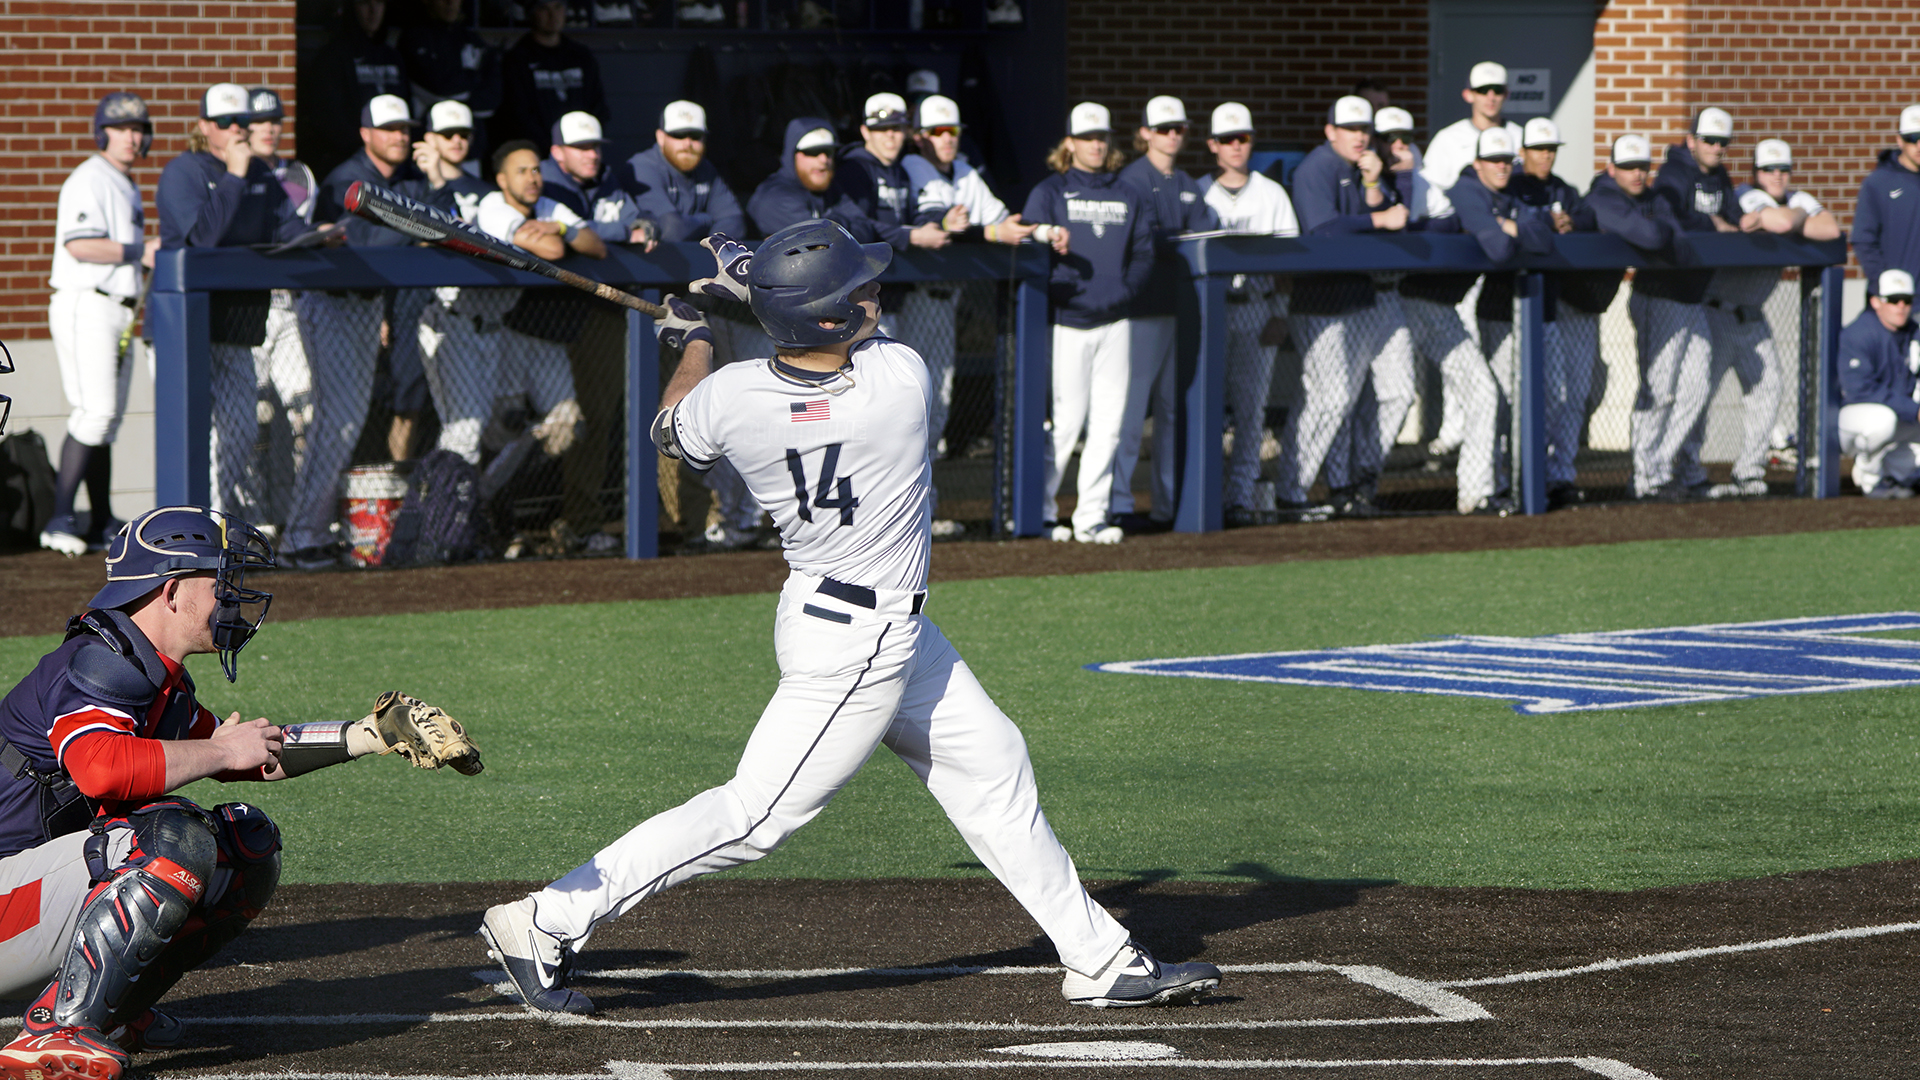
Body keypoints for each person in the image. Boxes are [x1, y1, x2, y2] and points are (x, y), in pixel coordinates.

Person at [478, 220, 1222, 1016]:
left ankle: (1099, 958)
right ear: (826, 319)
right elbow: (835, 335)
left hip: (847, 617)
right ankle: (544, 919)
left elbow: (673, 429)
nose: (874, 295)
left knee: (993, 763)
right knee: (755, 816)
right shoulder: (896, 383)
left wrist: (693, 338)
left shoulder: (730, 398)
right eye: (857, 292)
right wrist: (747, 286)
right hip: (861, 645)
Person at [0, 506, 470, 1080]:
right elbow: (103, 769)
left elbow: (248, 753)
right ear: (172, 591)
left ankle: (112, 1010)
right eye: (218, 583)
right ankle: (57, 1029)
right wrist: (222, 752)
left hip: (25, 898)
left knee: (247, 844)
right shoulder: (101, 663)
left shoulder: (150, 674)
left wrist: (369, 735)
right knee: (171, 837)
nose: (231, 597)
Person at [157, 83, 311, 528]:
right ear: (205, 127)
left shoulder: (262, 173)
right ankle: (192, 534)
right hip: (185, 331)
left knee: (241, 435)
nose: (236, 130)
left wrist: (319, 235)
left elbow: (289, 228)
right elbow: (203, 237)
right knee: (196, 440)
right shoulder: (184, 171)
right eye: (224, 123)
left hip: (241, 328)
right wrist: (235, 175)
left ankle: (215, 527)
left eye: (242, 122)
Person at [285, 94, 425, 569]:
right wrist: (419, 218)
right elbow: (365, 246)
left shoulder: (404, 179)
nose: (399, 136)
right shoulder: (348, 178)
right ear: (366, 133)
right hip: (331, 305)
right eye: (388, 128)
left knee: (345, 421)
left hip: (365, 310)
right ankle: (299, 535)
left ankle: (311, 528)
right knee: (335, 422)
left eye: (405, 128)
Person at [622, 100, 762, 551]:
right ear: (660, 136)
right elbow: (670, 225)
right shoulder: (642, 167)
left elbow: (732, 224)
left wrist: (687, 224)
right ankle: (673, 526)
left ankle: (703, 524)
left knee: (700, 415)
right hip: (640, 309)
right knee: (661, 420)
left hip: (697, 313)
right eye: (679, 136)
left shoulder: (708, 173)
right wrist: (692, 225)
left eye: (695, 137)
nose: (688, 144)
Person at [901, 93, 1033, 538]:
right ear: (919, 137)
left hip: (948, 302)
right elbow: (944, 223)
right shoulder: (913, 166)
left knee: (938, 409)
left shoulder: (963, 171)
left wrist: (1007, 229)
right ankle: (905, 514)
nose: (946, 139)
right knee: (913, 409)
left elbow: (997, 216)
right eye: (937, 132)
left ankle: (924, 510)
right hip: (916, 301)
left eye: (952, 131)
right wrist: (988, 231)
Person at [1021, 102, 1151, 544]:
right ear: (1070, 143)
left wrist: (1124, 293)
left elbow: (1144, 253)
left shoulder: (1129, 192)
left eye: (1103, 137)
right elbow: (1030, 250)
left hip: (1117, 323)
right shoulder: (1050, 192)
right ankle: (1043, 511)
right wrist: (1065, 291)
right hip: (1067, 323)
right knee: (1067, 422)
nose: (1097, 144)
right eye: (1088, 137)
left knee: (1110, 423)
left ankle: (1090, 517)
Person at [1690, 137, 1842, 500]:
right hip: (1716, 311)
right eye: (1769, 169)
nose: (1777, 176)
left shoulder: (1798, 201)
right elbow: (1775, 222)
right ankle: (1687, 471)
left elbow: (1832, 230)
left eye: (1783, 169)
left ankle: (1750, 471)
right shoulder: (1745, 194)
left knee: (1768, 390)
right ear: (1756, 172)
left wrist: (1796, 216)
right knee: (1698, 396)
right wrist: (1793, 217)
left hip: (1754, 317)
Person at [40, 92, 158, 557]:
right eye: (122, 127)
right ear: (102, 131)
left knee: (107, 420)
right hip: (86, 300)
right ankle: (60, 516)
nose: (131, 136)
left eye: (138, 128)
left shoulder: (123, 182)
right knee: (95, 410)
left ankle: (100, 519)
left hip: (119, 306)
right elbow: (80, 245)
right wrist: (138, 251)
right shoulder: (89, 177)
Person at [1280, 95, 1407, 522]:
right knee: (1328, 398)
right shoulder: (1316, 167)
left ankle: (1341, 487)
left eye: (1364, 129)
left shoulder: (1363, 167)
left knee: (1343, 399)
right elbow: (1324, 230)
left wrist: (1374, 185)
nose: (1359, 136)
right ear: (1330, 130)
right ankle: (1291, 490)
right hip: (1318, 300)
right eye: (1350, 129)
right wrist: (1377, 221)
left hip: (1357, 298)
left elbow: (1399, 217)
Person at [534, 110, 650, 549]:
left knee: (595, 419)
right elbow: (557, 231)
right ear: (557, 151)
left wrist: (623, 228)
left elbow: (642, 224)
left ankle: (581, 521)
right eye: (581, 147)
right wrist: (618, 230)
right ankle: (498, 518)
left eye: (595, 147)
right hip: (538, 316)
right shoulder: (541, 180)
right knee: (514, 427)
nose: (591, 155)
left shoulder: (609, 180)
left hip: (595, 314)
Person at [474, 139, 602, 512]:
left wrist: (558, 225)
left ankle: (492, 496)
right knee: (502, 426)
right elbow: (555, 252)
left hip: (544, 333)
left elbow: (596, 246)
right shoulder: (492, 205)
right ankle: (485, 505)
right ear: (501, 179)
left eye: (535, 169)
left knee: (567, 424)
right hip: (498, 327)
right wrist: (556, 235)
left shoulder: (549, 206)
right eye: (521, 171)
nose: (533, 178)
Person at [1112, 96, 1218, 532]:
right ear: (1145, 133)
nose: (1172, 135)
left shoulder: (1188, 182)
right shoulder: (1131, 179)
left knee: (1173, 411)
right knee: (1131, 410)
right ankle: (1117, 503)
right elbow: (1145, 240)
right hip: (1141, 308)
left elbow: (1206, 226)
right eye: (1164, 128)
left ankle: (1166, 504)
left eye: (1179, 128)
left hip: (1180, 310)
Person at [1195, 101, 1296, 525]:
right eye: (1228, 139)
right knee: (1207, 409)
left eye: (1244, 138)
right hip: (1211, 314)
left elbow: (1290, 262)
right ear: (1212, 145)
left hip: (1257, 311)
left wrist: (1281, 313)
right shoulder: (1197, 191)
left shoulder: (1271, 193)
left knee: (1251, 411)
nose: (1237, 146)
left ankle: (1239, 498)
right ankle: (1205, 495)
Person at [1637, 107, 1739, 500]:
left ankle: (1668, 467)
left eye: (1722, 142)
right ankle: (1645, 477)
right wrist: (1712, 223)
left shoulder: (1720, 176)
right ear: (1691, 140)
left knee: (1697, 388)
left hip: (1694, 296)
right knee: (1659, 391)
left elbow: (1732, 216)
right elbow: (1670, 220)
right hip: (1660, 293)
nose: (1715, 148)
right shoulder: (1673, 174)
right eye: (1709, 140)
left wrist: (1738, 221)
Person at [1584, 133, 1692, 501]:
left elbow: (1672, 234)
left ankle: (1656, 473)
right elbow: (1650, 234)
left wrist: (1658, 227)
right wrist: (1657, 227)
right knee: (1654, 389)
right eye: (1627, 167)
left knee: (1689, 389)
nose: (1636, 174)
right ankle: (1644, 476)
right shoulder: (1601, 196)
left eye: (1642, 167)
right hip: (1565, 301)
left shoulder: (1653, 197)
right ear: (1611, 167)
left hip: (1593, 303)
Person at [1453, 127, 1556, 515]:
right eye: (1493, 160)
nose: (1501, 167)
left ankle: (1489, 487)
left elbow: (1545, 240)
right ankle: (1477, 492)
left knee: (1495, 396)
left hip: (1452, 302)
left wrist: (1513, 227)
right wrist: (1513, 229)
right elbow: (1498, 249)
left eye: (1506, 161)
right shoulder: (1466, 190)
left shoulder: (1507, 193)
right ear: (1477, 162)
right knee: (1483, 394)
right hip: (1417, 298)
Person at [1507, 117, 1604, 509]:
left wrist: (1573, 221)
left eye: (1551, 149)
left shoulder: (1562, 188)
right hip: (1518, 302)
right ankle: (1518, 472)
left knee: (1567, 394)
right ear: (1523, 152)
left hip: (1559, 303)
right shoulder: (1511, 184)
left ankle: (1558, 475)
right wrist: (1547, 222)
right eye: (1538, 149)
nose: (1545, 156)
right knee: (1524, 397)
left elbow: (1590, 218)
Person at [242, 87, 320, 537]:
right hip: (249, 307)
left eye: (276, 121)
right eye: (259, 122)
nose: (269, 129)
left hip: (289, 305)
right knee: (250, 416)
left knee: (303, 410)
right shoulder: (234, 175)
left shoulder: (300, 174)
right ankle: (251, 518)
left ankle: (298, 515)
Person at [413, 99, 503, 465]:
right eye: (447, 133)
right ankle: (440, 513)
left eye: (463, 133)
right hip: (442, 315)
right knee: (461, 428)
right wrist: (435, 179)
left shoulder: (485, 190)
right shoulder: (414, 186)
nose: (456, 140)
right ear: (429, 138)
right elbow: (434, 235)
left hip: (490, 321)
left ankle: (461, 506)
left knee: (486, 427)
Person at [298, 0, 406, 181]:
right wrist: (368, 150)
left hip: (394, 164)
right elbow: (328, 117)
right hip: (349, 163)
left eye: (379, 3)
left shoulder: (393, 56)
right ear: (351, 8)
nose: (373, 11)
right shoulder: (332, 57)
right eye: (365, 3)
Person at [1837, 270, 1920, 497]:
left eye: (1907, 300)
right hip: (1850, 420)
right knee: (1882, 421)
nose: (1901, 306)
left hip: (1899, 412)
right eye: (1893, 300)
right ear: (1875, 301)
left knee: (1891, 420)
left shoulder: (1913, 332)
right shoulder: (1860, 333)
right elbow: (1859, 390)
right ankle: (1869, 479)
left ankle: (1896, 476)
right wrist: (1914, 410)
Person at [495, 0, 606, 149]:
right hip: (538, 155)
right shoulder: (517, 60)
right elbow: (517, 115)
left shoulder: (581, 56)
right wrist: (552, 147)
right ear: (532, 14)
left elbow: (598, 106)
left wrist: (584, 140)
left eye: (558, 7)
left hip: (579, 148)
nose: (553, 15)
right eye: (544, 9)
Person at [400, 0, 501, 162]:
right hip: (427, 145)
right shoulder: (414, 37)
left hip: (471, 149)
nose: (449, 3)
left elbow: (493, 97)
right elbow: (439, 87)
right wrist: (472, 83)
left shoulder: (475, 42)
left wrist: (459, 94)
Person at [1422, 62, 1525, 197]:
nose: (1491, 97)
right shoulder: (1448, 138)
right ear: (1468, 95)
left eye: (1497, 90)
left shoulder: (1521, 136)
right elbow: (1431, 189)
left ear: (1506, 94)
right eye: (1483, 90)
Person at [1854, 105, 1920, 301]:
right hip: (1896, 305)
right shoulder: (1878, 184)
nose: (1919, 146)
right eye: (1912, 139)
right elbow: (1863, 240)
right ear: (1899, 140)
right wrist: (1886, 289)